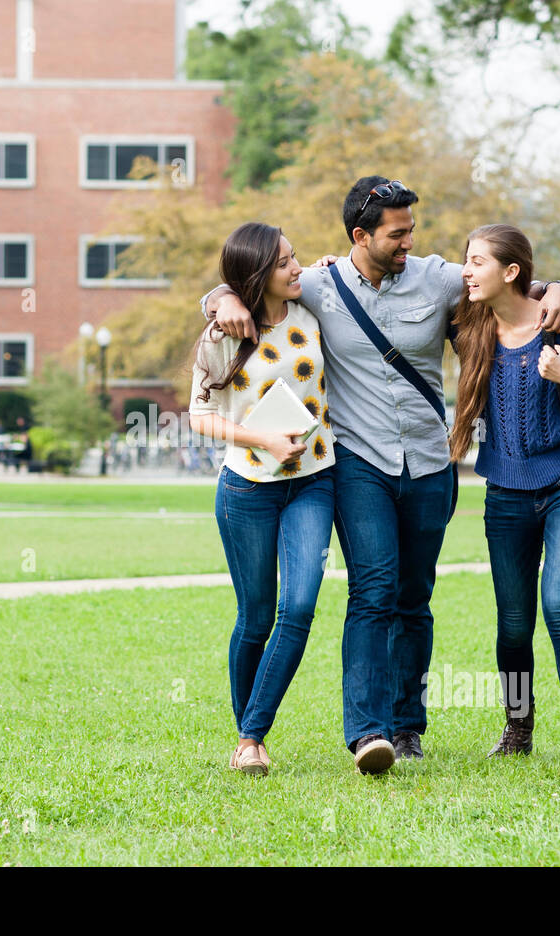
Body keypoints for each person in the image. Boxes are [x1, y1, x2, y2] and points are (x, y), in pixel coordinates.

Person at [204, 176, 560, 774]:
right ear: (360, 236)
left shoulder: (437, 277)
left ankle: (408, 728)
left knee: (415, 599)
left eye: (411, 231)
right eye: (397, 234)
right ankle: (368, 732)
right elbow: (252, 277)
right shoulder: (318, 285)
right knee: (372, 592)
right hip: (360, 464)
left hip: (431, 463)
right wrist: (219, 297)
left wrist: (555, 287)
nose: (409, 242)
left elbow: (509, 282)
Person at [451, 224, 560, 781]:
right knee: (511, 622)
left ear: (509, 272)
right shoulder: (469, 323)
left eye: (477, 261)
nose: (466, 270)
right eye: (465, 260)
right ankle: (518, 726)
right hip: (503, 493)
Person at [188, 221, 336, 776]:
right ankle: (248, 739)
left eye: (294, 257)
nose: (295, 268)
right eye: (282, 263)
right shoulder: (223, 333)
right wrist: (261, 438)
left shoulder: (313, 310)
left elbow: (339, 274)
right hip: (245, 488)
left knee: (297, 607)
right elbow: (199, 418)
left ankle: (252, 736)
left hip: (314, 481)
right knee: (254, 617)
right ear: (256, 275)